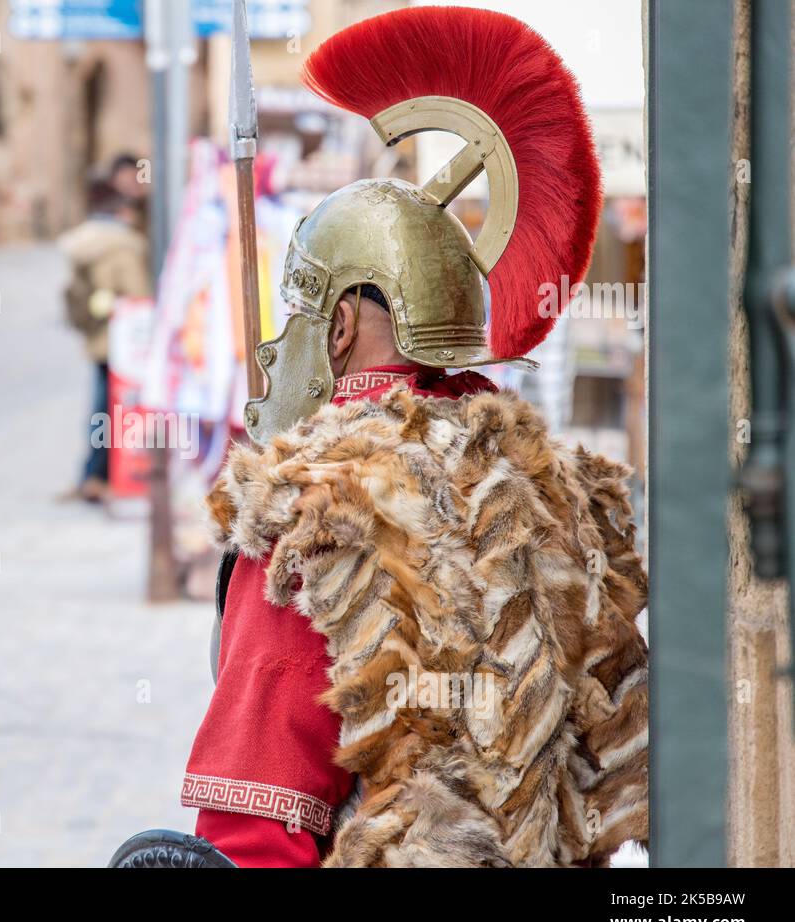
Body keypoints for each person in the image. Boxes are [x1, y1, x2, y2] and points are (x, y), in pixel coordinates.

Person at [112, 6, 647, 868]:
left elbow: (258, 831)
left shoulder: (312, 512)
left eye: (302, 306)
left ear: (340, 328)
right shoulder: (560, 496)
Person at [57, 182, 151, 503]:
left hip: (98, 335)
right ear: (123, 213)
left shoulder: (86, 244)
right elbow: (137, 292)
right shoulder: (125, 247)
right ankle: (100, 476)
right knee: (115, 411)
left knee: (99, 411)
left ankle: (90, 475)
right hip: (124, 341)